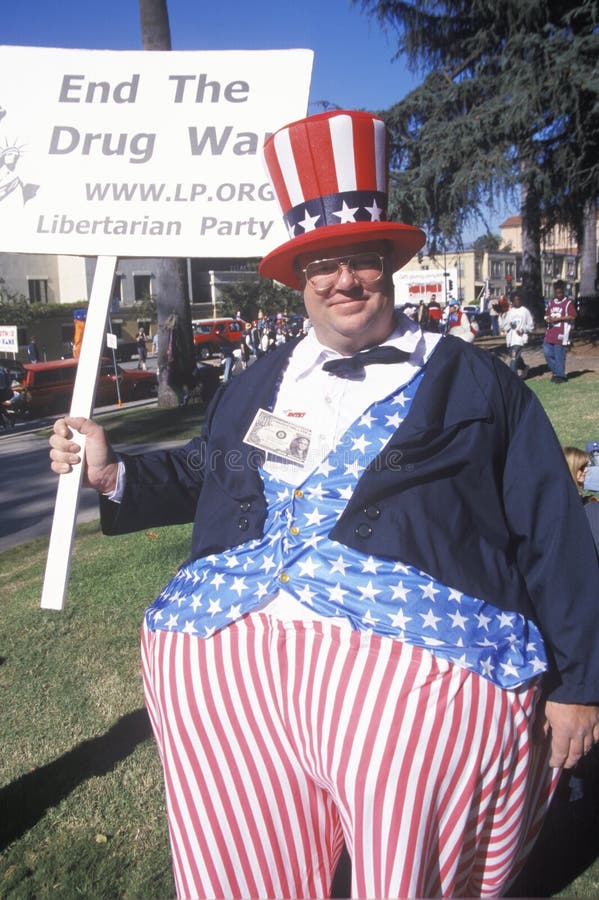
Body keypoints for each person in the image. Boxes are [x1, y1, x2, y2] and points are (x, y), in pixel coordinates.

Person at [49, 109, 599, 900]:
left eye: (361, 261)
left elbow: (551, 528)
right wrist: (111, 473)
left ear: (389, 265)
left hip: (411, 667)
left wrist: (578, 684)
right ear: (299, 280)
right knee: (242, 872)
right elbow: (214, 469)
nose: (344, 281)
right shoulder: (261, 379)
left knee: (404, 874)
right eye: (321, 266)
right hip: (224, 662)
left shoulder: (474, 382)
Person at [543, 280, 576, 383]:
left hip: (561, 333)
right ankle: (557, 371)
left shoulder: (568, 302)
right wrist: (548, 318)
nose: (559, 295)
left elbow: (573, 316)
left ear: (563, 291)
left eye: (560, 293)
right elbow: (546, 315)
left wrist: (559, 319)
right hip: (550, 332)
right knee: (547, 352)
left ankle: (560, 375)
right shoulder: (552, 302)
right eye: (557, 293)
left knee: (559, 355)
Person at [501, 292, 535, 377]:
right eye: (515, 300)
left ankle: (514, 379)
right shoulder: (510, 312)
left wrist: (523, 330)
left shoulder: (525, 311)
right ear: (512, 301)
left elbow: (531, 325)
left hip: (520, 339)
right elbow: (505, 326)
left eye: (519, 299)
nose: (517, 301)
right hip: (510, 340)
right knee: (515, 357)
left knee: (513, 359)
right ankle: (524, 367)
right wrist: (509, 326)